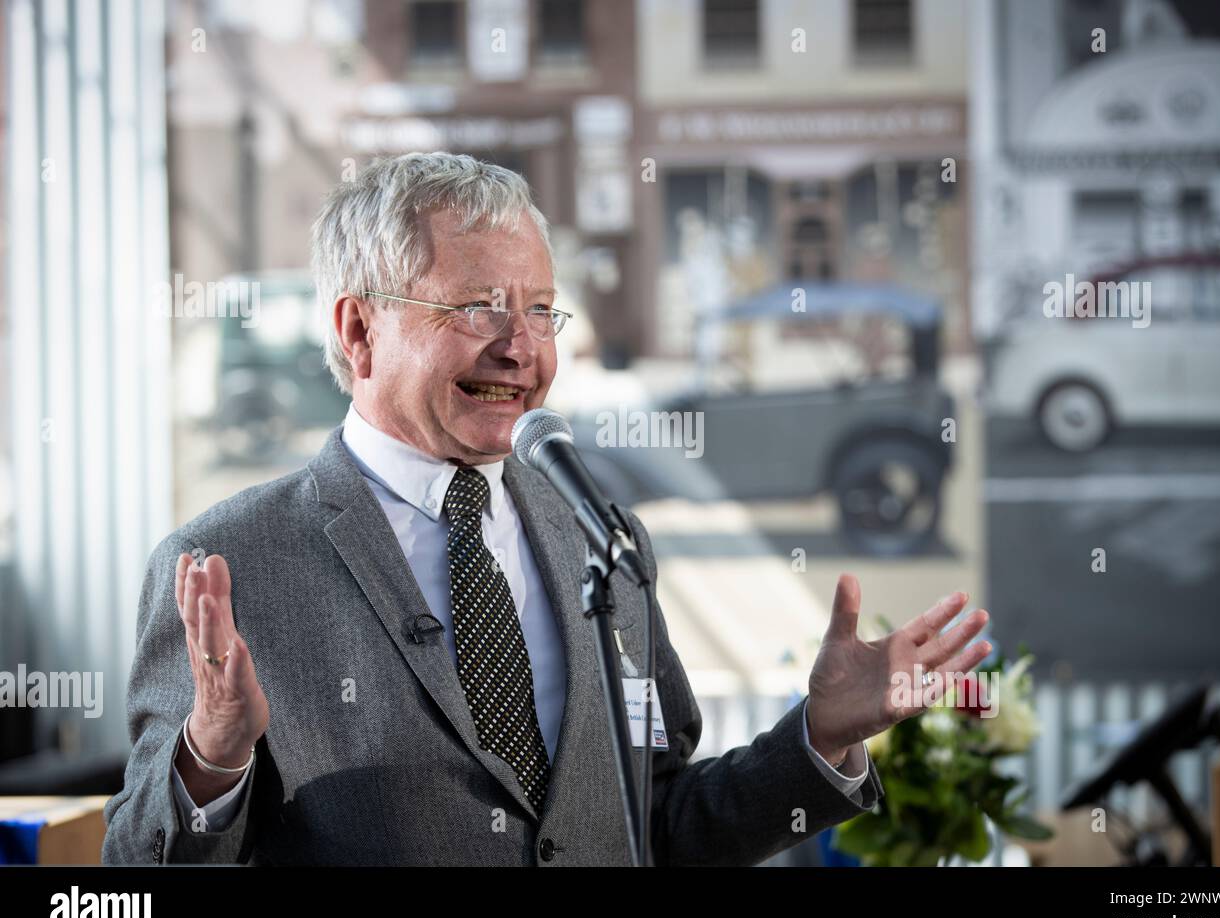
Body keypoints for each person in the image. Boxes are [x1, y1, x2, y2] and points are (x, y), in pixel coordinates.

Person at [102, 152, 990, 865]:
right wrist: (210, 758)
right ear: (359, 330)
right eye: (478, 308)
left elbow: (661, 827)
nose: (521, 348)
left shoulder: (597, 535)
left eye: (539, 311)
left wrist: (820, 738)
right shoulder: (226, 566)